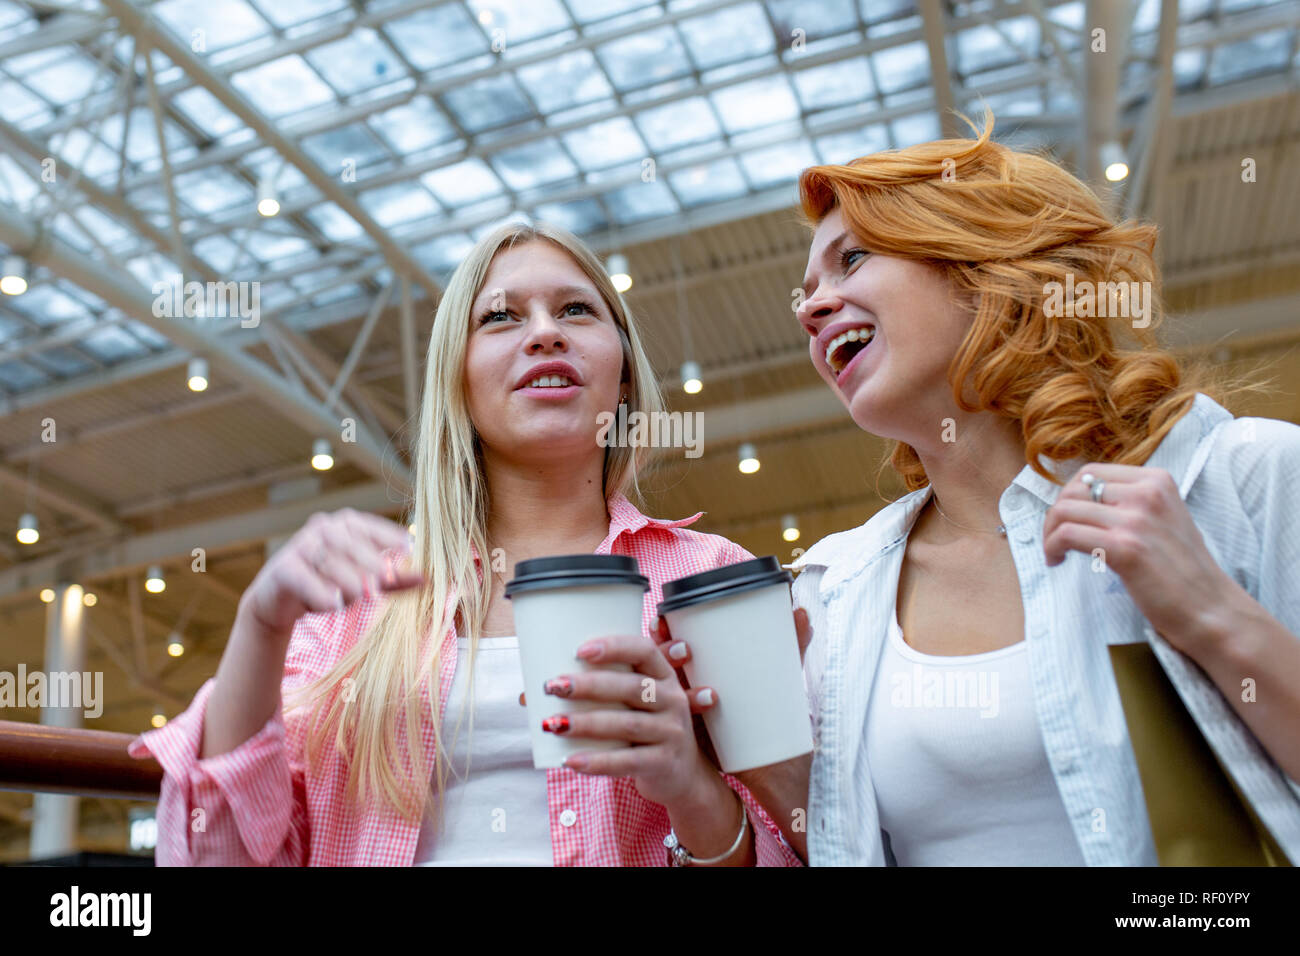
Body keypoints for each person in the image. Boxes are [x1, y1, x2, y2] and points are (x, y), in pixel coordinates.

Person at [675, 113, 1300, 865]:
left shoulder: (1241, 478)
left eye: (854, 259)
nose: (810, 308)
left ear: (982, 262)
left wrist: (1214, 616)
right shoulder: (835, 592)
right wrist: (760, 767)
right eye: (804, 295)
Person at [128, 221, 801, 867]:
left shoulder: (712, 579)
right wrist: (261, 620)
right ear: (459, 379)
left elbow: (807, 844)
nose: (545, 333)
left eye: (576, 310)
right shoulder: (361, 605)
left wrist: (689, 786)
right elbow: (220, 855)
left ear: (623, 373)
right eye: (501, 317)